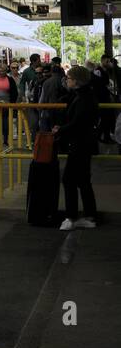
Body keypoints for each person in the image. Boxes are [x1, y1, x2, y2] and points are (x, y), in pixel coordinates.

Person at [55, 65, 99, 231]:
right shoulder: (85, 95)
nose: (67, 80)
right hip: (85, 144)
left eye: (70, 78)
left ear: (77, 81)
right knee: (83, 180)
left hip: (80, 144)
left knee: (69, 179)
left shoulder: (83, 98)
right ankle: (90, 216)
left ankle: (71, 217)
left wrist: (61, 130)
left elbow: (78, 122)